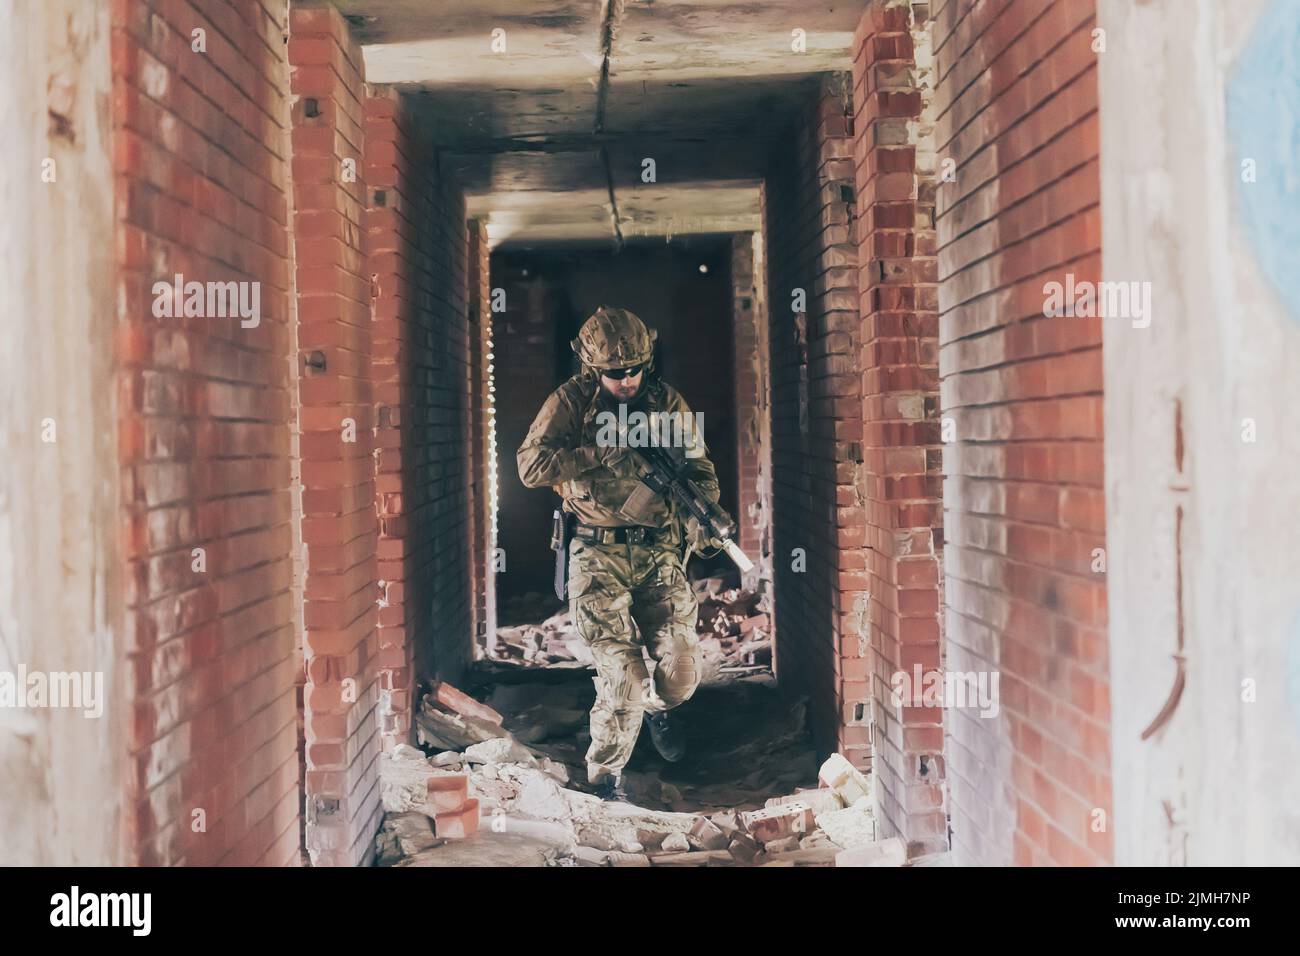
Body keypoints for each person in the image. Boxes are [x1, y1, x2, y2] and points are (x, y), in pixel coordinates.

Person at [517, 306, 728, 801]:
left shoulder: (667, 404)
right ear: (594, 368)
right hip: (596, 553)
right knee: (622, 675)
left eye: (635, 369)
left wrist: (705, 517)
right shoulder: (570, 402)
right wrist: (600, 453)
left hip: (659, 553)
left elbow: (698, 469)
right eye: (615, 373)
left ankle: (656, 709)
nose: (627, 380)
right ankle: (604, 780)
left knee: (678, 675)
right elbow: (530, 466)